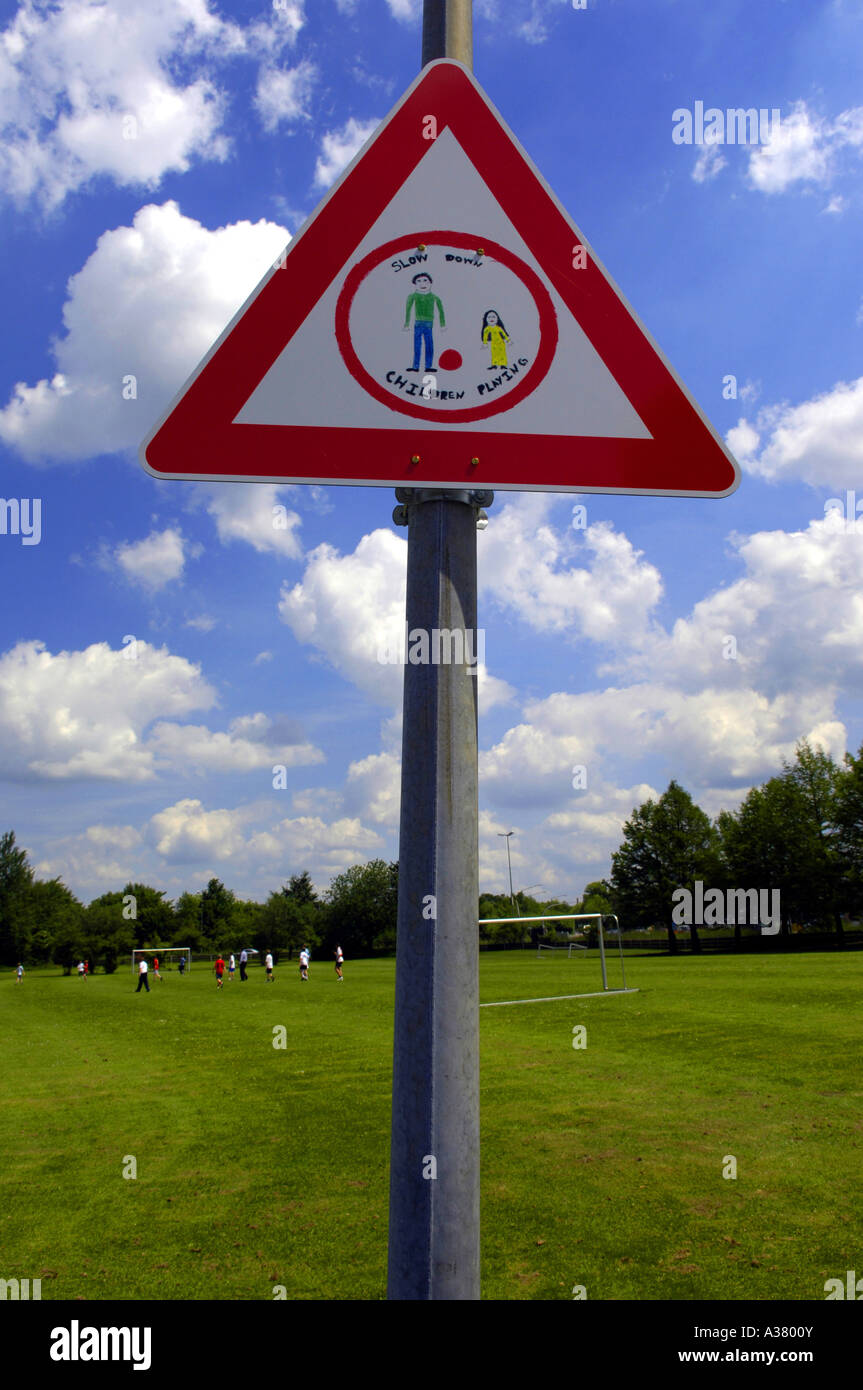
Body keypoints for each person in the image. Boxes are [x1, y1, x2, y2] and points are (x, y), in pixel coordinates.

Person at [404, 272, 445, 372]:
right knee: (417, 345)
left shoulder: (434, 297)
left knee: (429, 345)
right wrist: (407, 324)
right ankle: (415, 366)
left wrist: (442, 324)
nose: (422, 284)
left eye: (425, 280)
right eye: (419, 281)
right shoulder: (413, 296)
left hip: (429, 325)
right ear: (415, 284)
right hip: (417, 323)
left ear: (430, 283)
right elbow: (408, 310)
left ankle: (428, 366)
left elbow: (441, 311)